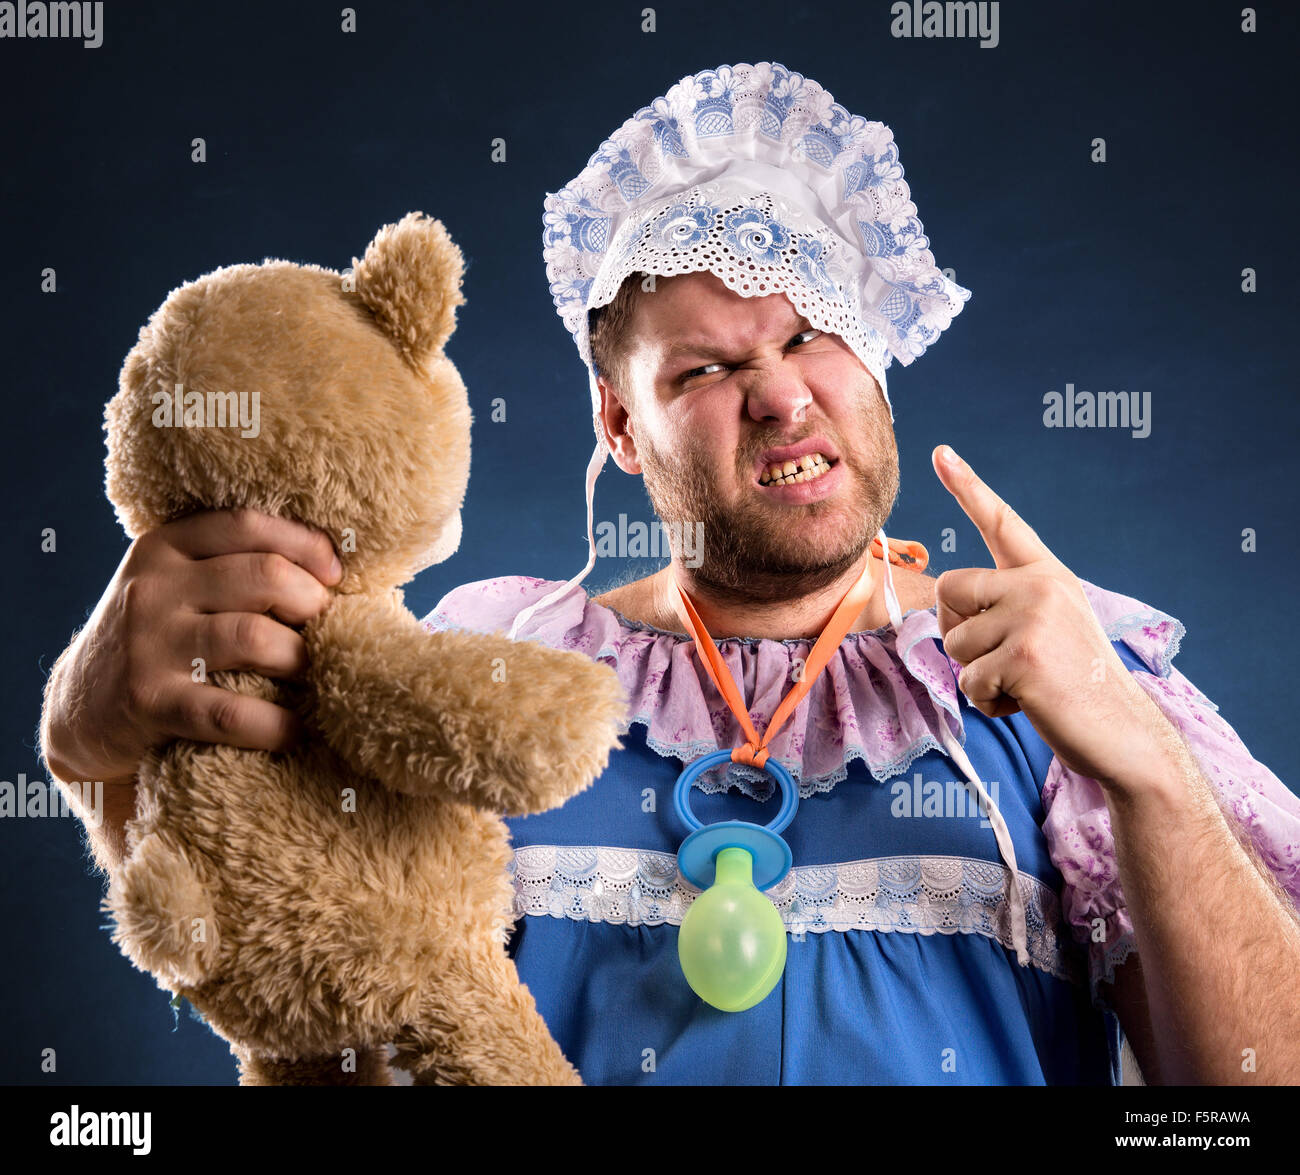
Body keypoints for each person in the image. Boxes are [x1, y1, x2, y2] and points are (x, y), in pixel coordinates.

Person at [41, 61, 1300, 1086]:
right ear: (618, 425)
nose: (779, 395)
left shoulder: (1062, 667)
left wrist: (1141, 763)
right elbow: (295, 970)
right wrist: (94, 742)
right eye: (702, 370)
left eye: (812, 332)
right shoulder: (498, 660)